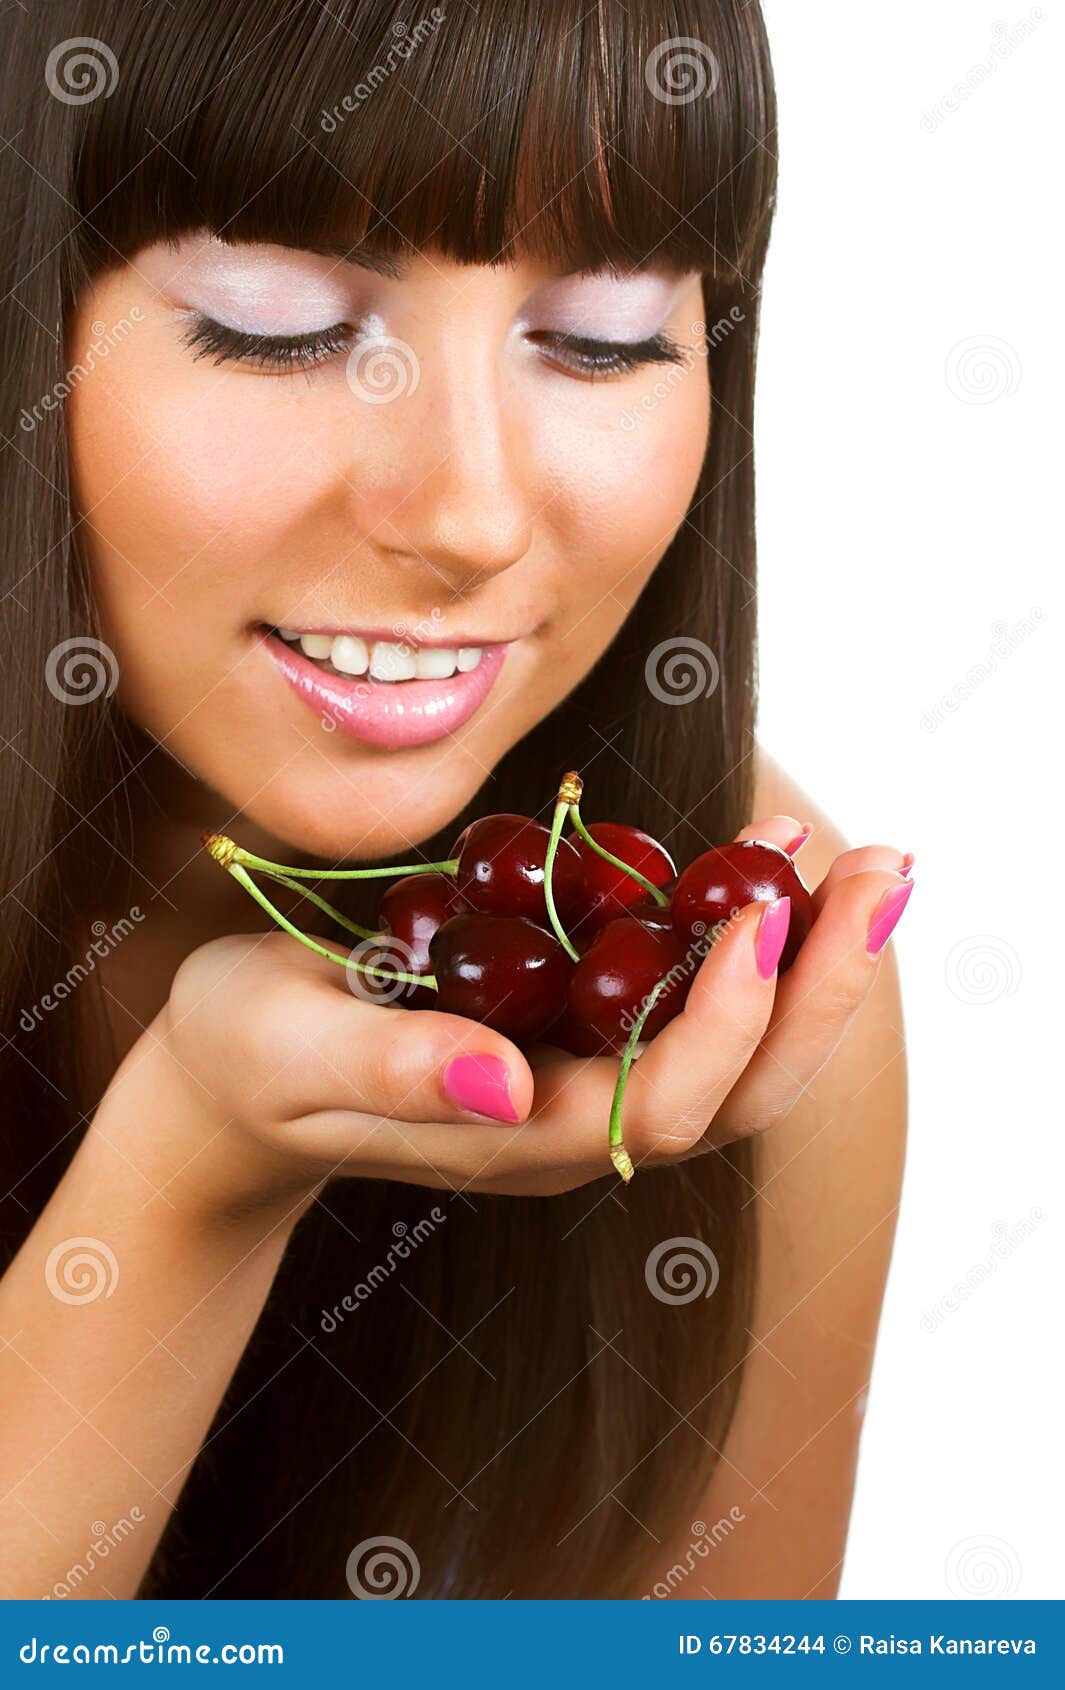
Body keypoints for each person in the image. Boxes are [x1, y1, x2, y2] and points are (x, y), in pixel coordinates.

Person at [0, 0, 910, 1599]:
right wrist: (195, 1168)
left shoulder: (735, 967)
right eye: (279, 324)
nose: (471, 512)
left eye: (607, 335)